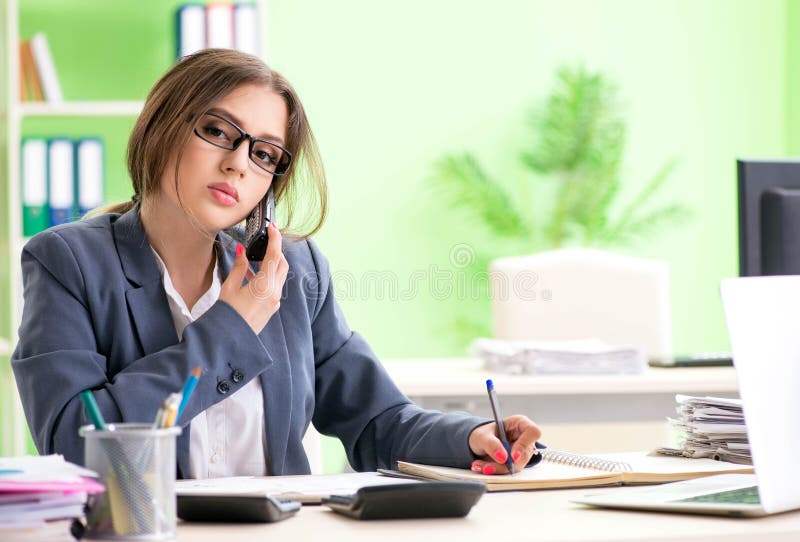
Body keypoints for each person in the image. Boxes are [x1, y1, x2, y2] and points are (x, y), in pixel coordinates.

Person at [11, 49, 541, 479]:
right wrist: (231, 327)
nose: (238, 162)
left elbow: (377, 420)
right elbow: (73, 441)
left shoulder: (294, 270)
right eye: (218, 131)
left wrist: (470, 438)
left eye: (264, 153)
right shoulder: (68, 261)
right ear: (162, 126)